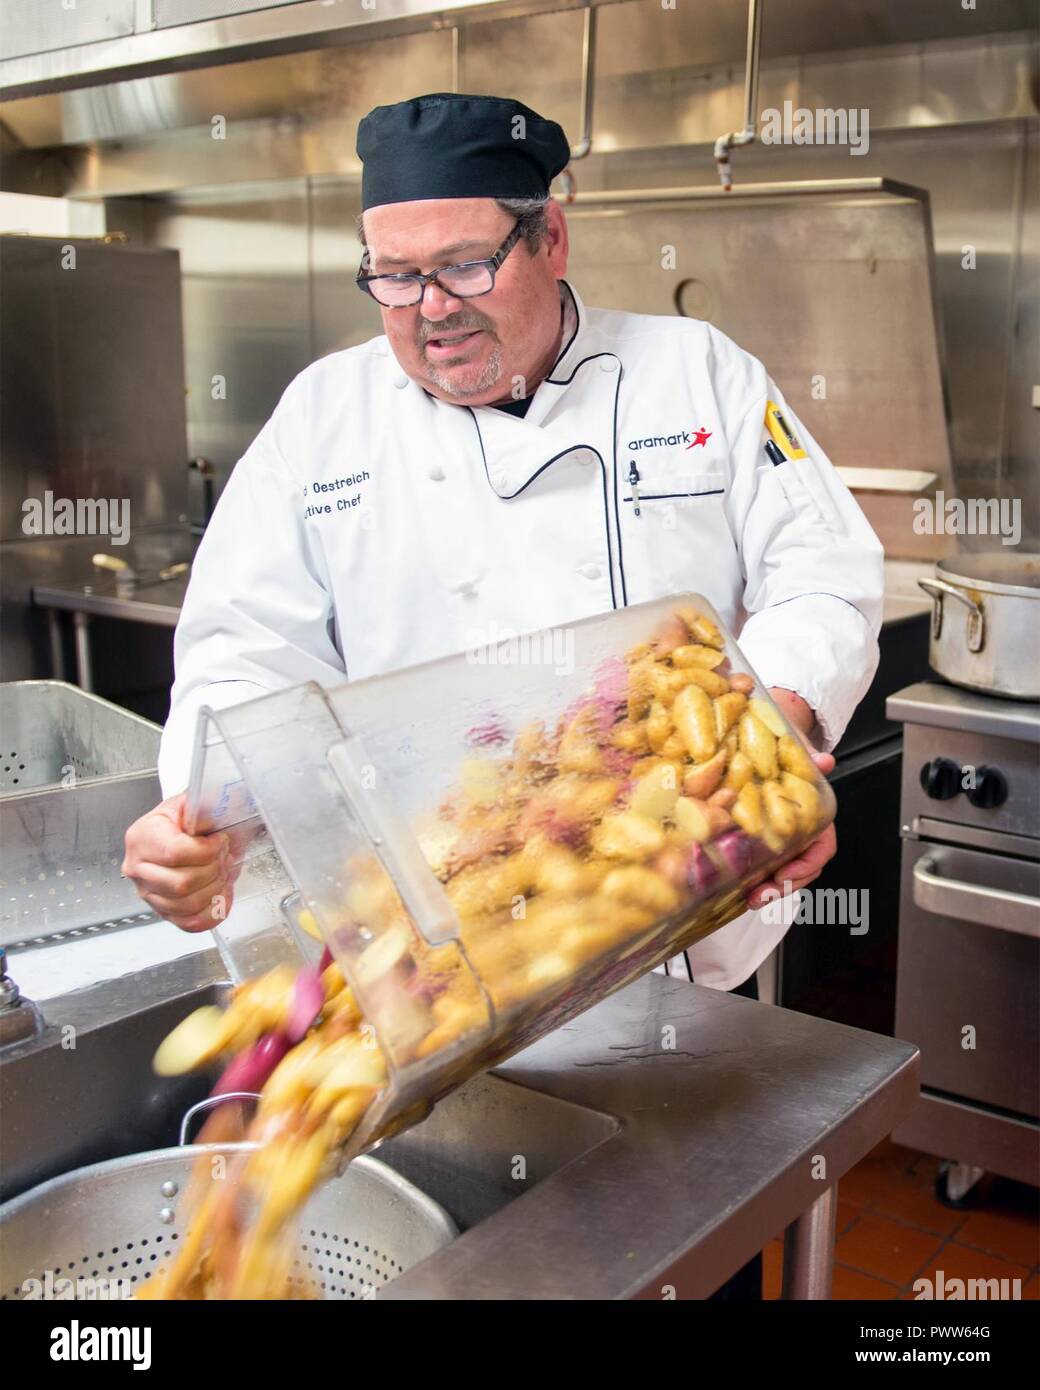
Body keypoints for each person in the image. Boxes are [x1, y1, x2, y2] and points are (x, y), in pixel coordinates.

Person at [123, 93, 884, 1294]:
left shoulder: (697, 374)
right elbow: (237, 652)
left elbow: (825, 572)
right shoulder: (323, 419)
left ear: (551, 239)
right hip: (421, 956)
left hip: (671, 943)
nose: (430, 309)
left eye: (466, 263)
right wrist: (196, 815)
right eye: (394, 276)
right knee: (476, 1254)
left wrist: (773, 726)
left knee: (679, 1247)